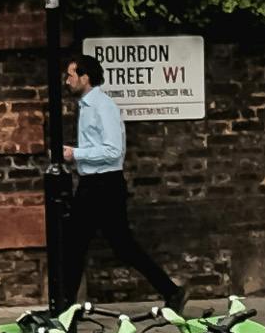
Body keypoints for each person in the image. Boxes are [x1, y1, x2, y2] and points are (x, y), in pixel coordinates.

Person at [47, 48, 189, 314]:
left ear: (85, 77)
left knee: (96, 244)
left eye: (70, 76)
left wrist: (75, 153)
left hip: (105, 185)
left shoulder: (103, 107)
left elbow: (114, 150)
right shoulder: (88, 106)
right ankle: (170, 290)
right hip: (92, 184)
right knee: (89, 244)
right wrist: (74, 154)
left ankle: (65, 308)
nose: (66, 81)